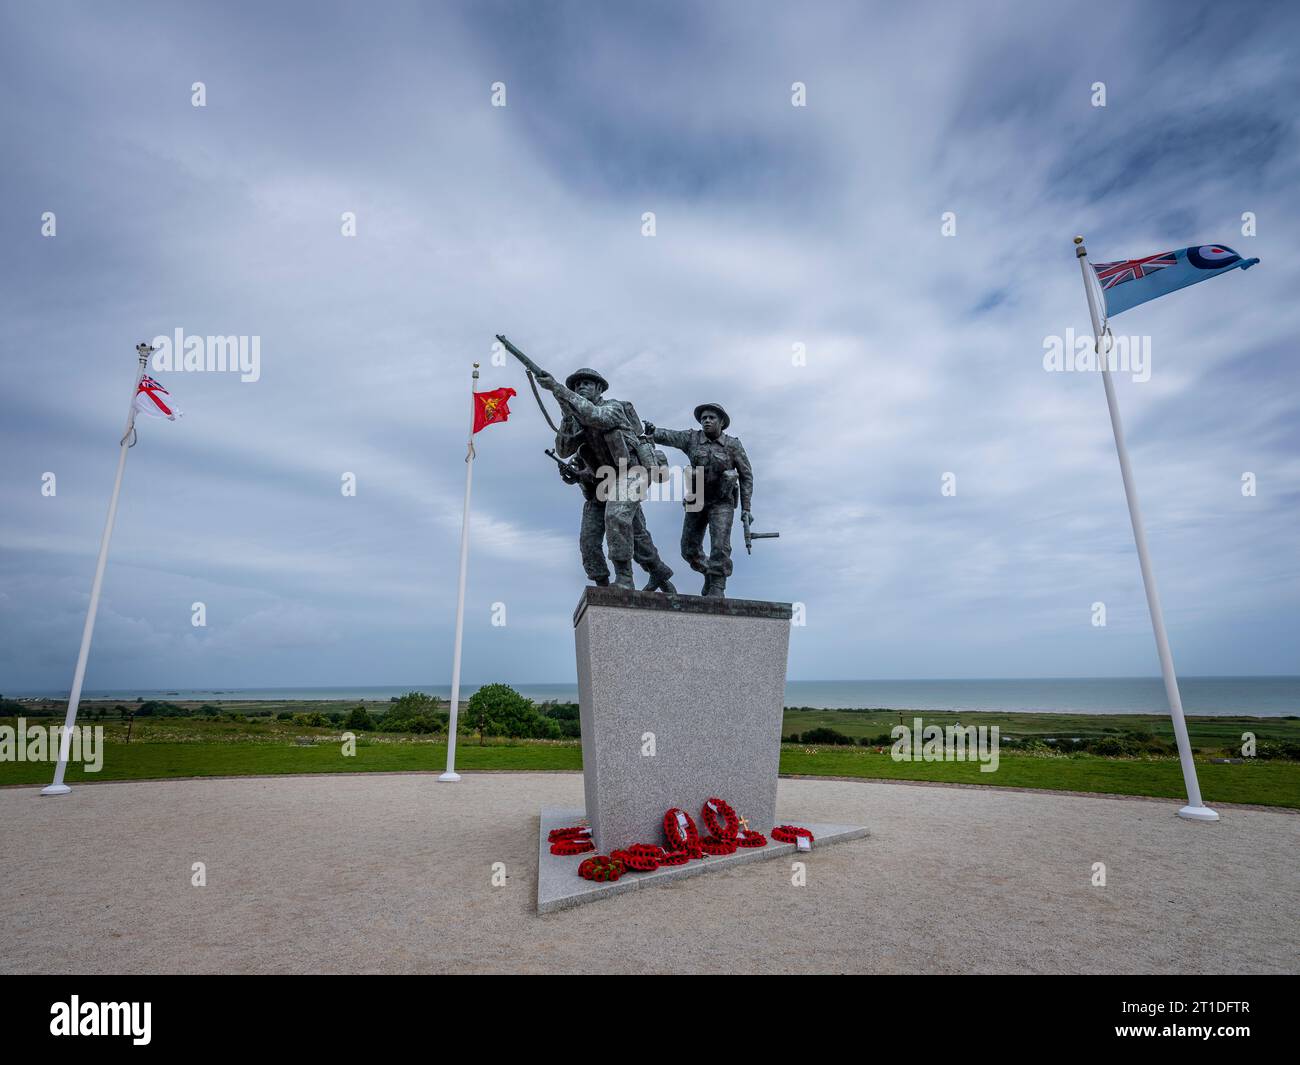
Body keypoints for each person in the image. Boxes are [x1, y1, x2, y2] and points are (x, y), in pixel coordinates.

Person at [537, 367, 675, 592]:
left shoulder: (614, 408)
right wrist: (567, 415)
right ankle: (609, 586)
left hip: (631, 473)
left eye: (586, 384)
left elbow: (595, 416)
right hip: (600, 486)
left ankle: (624, 579)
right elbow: (563, 449)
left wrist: (557, 389)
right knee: (594, 541)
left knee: (616, 515)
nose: (581, 387)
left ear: (599, 388)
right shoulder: (577, 419)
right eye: (577, 385)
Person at [643, 403, 752, 597]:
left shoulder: (733, 445)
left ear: (721, 422)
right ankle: (708, 573)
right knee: (689, 549)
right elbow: (670, 436)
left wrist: (746, 509)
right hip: (697, 498)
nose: (707, 421)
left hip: (721, 500)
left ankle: (717, 587)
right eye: (704, 418)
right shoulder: (692, 438)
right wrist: (654, 431)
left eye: (711, 418)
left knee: (720, 545)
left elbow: (746, 476)